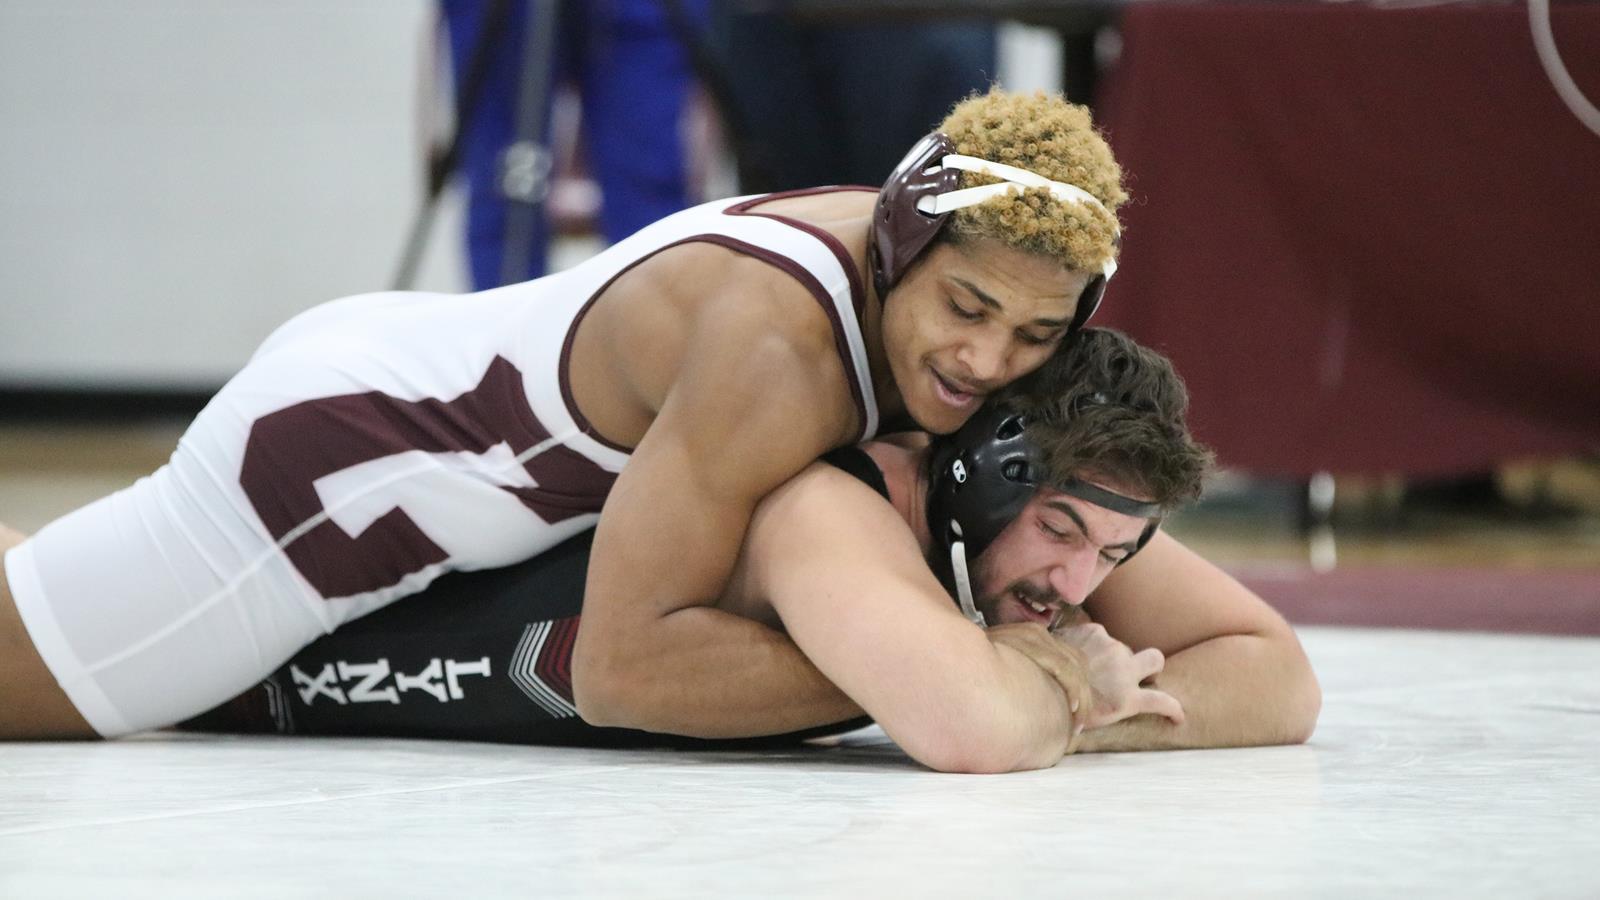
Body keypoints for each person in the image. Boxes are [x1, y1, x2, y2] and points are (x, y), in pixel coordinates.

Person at [0, 88, 1127, 742]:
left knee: (44, 591)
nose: (987, 361)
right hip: (343, 472)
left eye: (1033, 337)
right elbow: (622, 671)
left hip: (400, 381)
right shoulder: (778, 354)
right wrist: (965, 668)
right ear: (899, 248)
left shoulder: (966, 256)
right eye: (966, 310)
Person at [186, 330, 1321, 772]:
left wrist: (1075, 692)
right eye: (1062, 533)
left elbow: (1278, 674)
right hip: (268, 643)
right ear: (982, 469)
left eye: (1114, 558)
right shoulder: (824, 506)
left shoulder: (1040, 541)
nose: (1076, 587)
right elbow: (968, 726)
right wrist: (1079, 679)